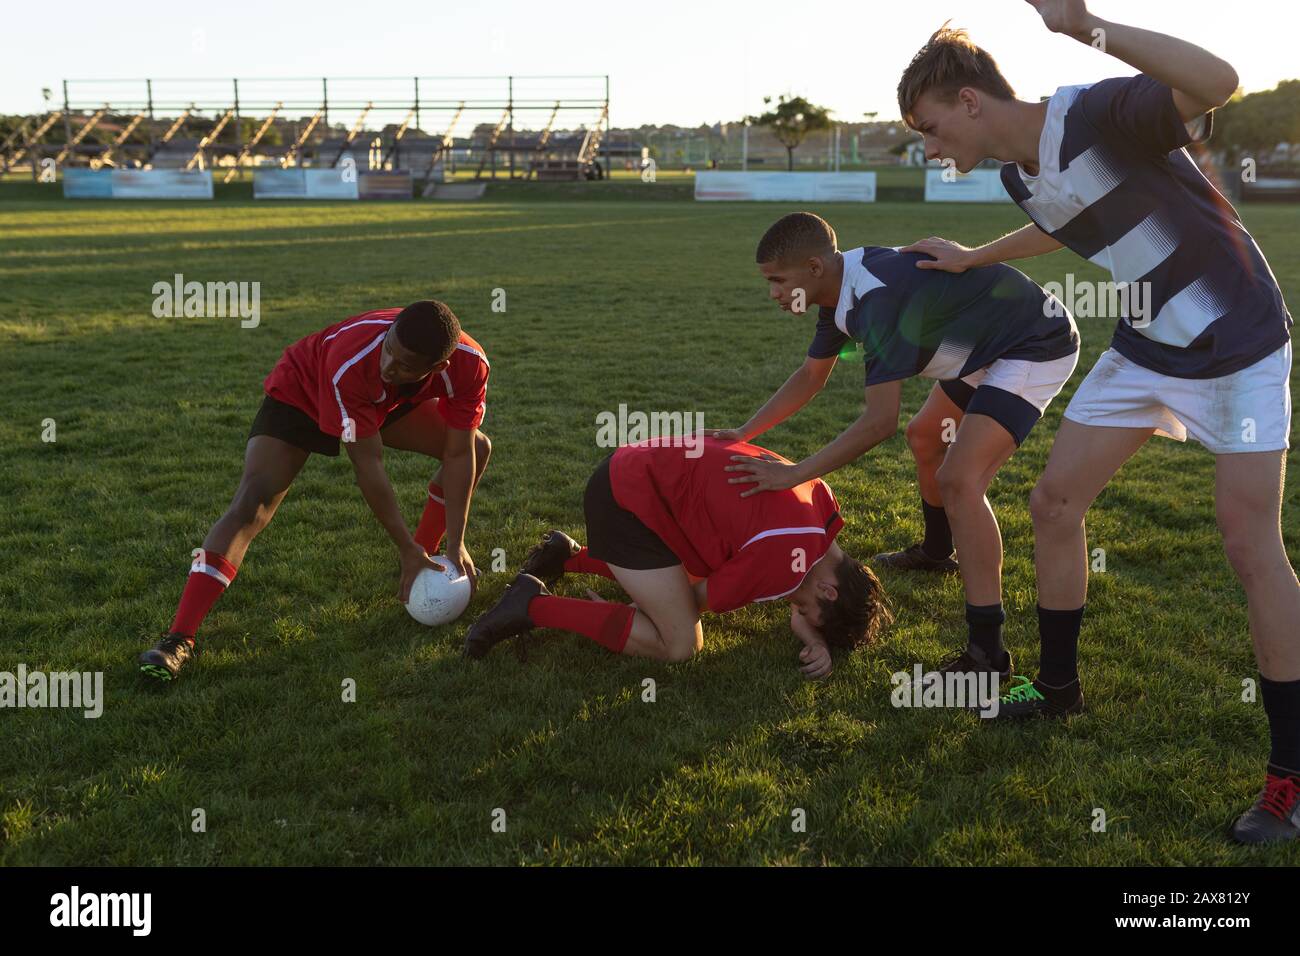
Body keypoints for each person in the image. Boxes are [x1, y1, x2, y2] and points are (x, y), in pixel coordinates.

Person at [897, 5, 1296, 842]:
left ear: (969, 101)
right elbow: (1056, 224)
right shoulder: (1018, 173)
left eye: (930, 128)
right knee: (1054, 504)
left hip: (1238, 342)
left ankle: (1290, 779)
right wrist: (975, 258)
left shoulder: (1097, 112)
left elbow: (1219, 82)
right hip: (1148, 345)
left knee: (1248, 548)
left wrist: (1083, 25)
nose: (930, 149)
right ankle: (1058, 688)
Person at [718, 211, 1077, 686]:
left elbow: (878, 421)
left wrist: (793, 474)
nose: (774, 294)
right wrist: (744, 433)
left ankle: (987, 651)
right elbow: (811, 377)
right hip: (985, 344)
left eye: (778, 280)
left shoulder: (875, 299)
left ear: (814, 268)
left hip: (1032, 343)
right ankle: (935, 550)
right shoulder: (840, 290)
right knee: (926, 436)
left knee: (959, 481)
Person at [139, 300, 491, 681]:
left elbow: (458, 453)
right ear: (389, 334)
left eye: (405, 364)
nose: (390, 365)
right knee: (253, 503)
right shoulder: (354, 359)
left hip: (384, 401)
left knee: (478, 447)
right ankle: (179, 639)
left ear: (438, 367)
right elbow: (368, 464)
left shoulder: (470, 365)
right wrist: (402, 543)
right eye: (390, 349)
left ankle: (421, 561)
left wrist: (455, 545)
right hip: (305, 391)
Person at [464, 436, 889, 677]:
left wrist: (815, 636)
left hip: (642, 475)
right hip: (628, 501)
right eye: (802, 608)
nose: (791, 608)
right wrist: (642, 612)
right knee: (681, 642)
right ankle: (531, 606)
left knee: (692, 572)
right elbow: (693, 601)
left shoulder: (822, 508)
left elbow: (792, 583)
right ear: (830, 591)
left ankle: (566, 557)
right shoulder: (782, 560)